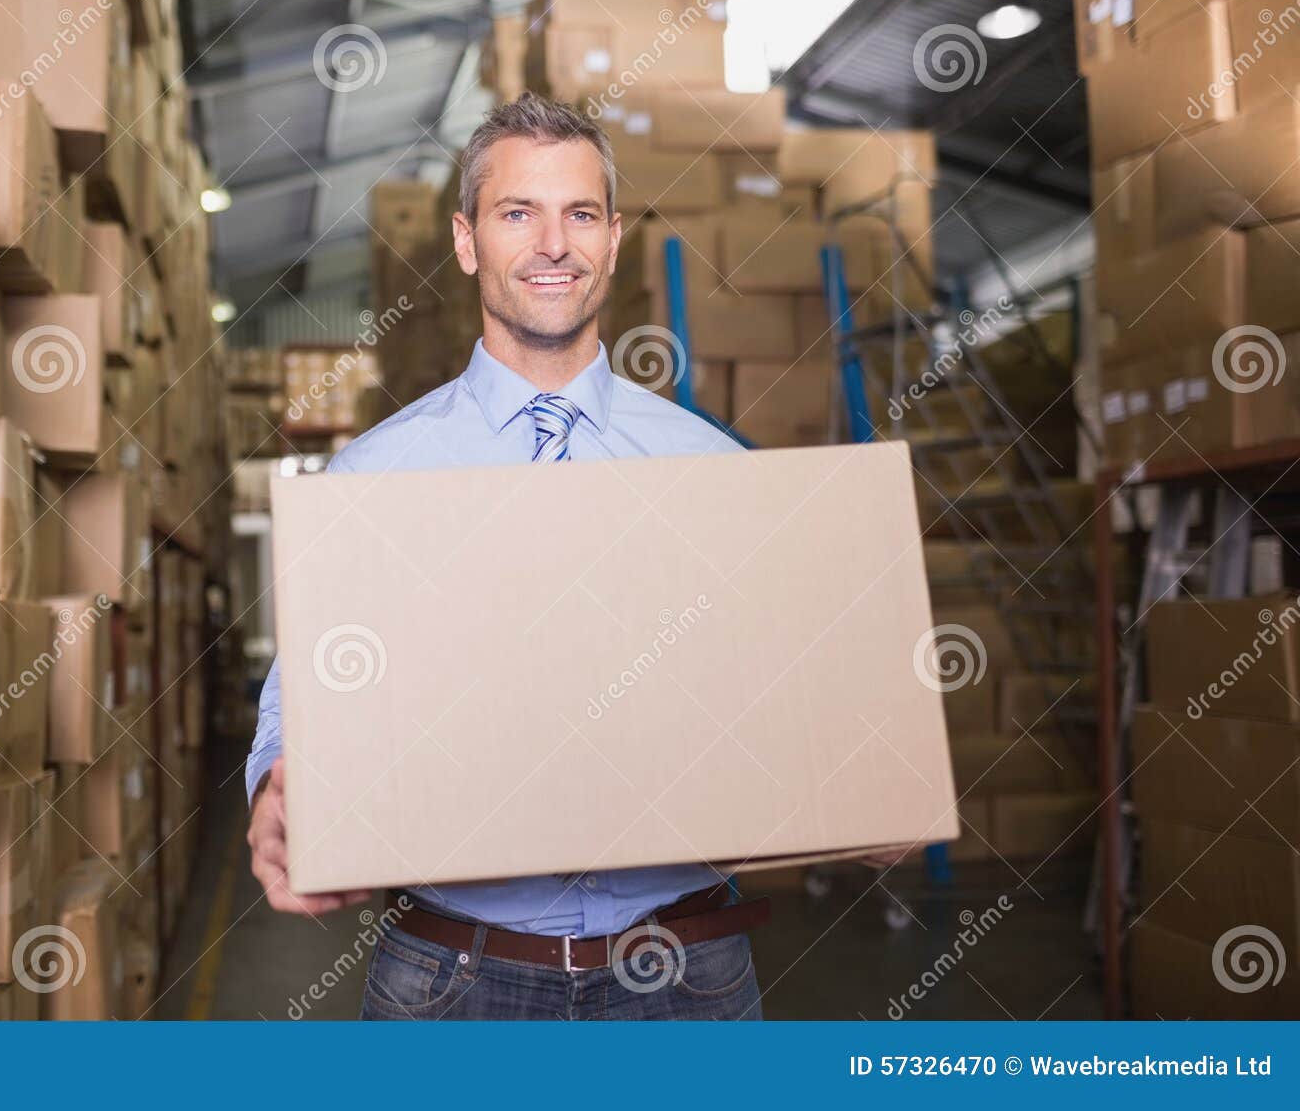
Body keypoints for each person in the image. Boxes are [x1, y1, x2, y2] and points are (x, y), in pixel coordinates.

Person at [245, 93, 896, 1020]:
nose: (554, 244)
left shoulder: (710, 470)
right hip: (453, 982)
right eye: (519, 213)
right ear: (468, 241)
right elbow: (302, 698)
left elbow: (800, 688)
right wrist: (281, 789)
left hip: (686, 976)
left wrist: (870, 779)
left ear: (614, 237)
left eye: (579, 214)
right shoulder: (374, 474)